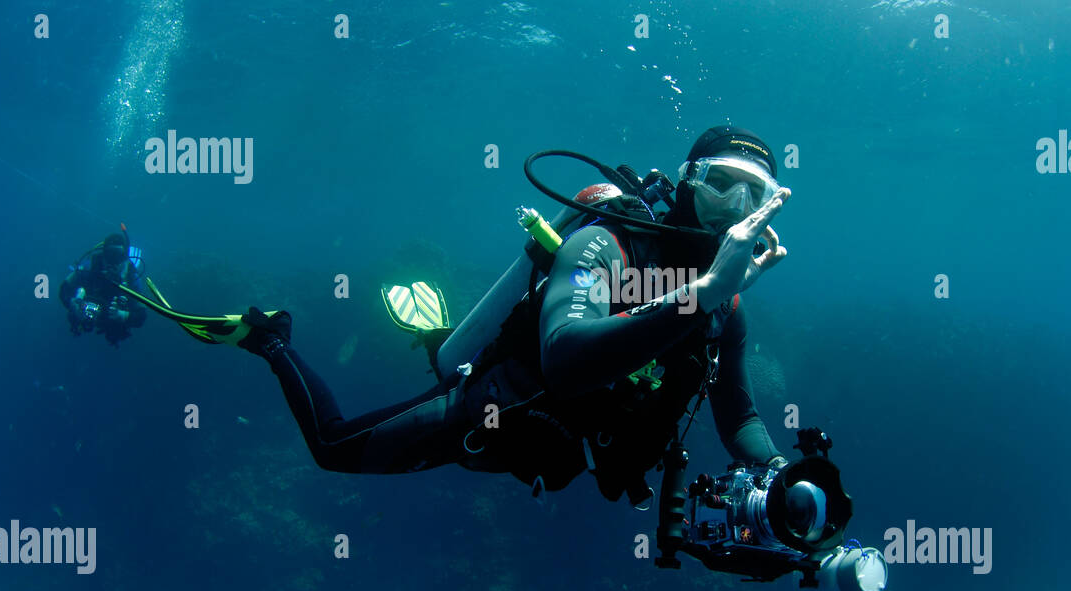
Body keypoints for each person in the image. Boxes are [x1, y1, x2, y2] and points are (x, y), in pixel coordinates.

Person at [237, 126, 792, 505]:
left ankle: (436, 335)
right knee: (333, 448)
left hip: (563, 448)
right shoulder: (607, 243)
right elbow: (567, 362)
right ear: (689, 178)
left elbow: (738, 415)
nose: (735, 209)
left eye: (756, 194)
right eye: (720, 184)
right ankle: (272, 338)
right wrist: (706, 290)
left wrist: (781, 475)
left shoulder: (726, 307)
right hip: (494, 407)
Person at [59, 231, 147, 346]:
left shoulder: (131, 276)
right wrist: (72, 303)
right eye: (110, 255)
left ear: (124, 257)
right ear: (104, 254)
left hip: (111, 327)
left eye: (118, 256)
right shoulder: (89, 266)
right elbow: (64, 289)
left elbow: (141, 315)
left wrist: (123, 316)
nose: (113, 261)